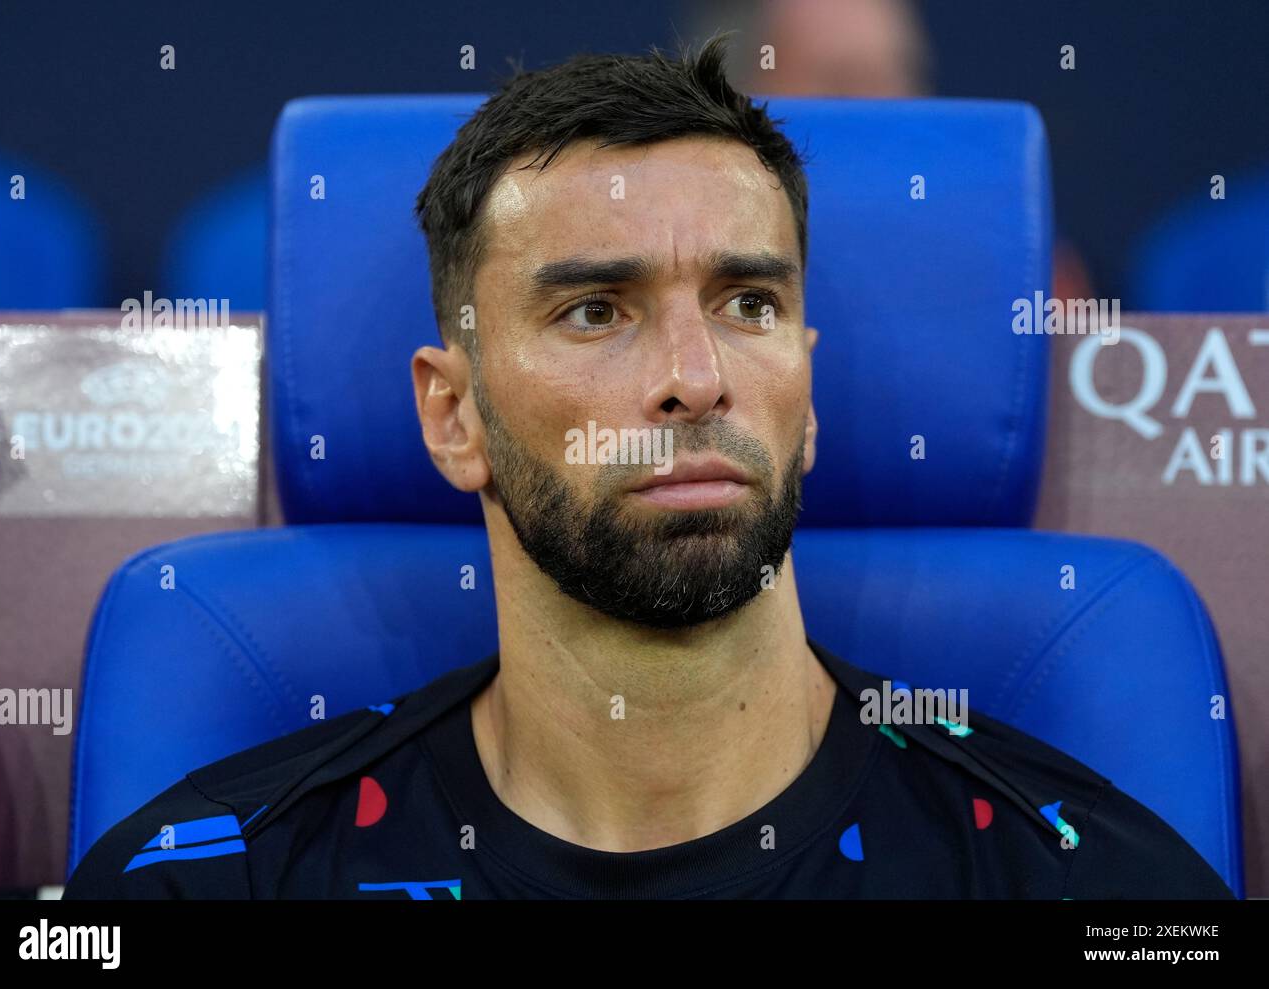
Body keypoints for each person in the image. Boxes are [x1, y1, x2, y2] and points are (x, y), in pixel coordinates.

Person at [64, 33, 1234, 900]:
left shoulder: (1090, 884)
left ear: (807, 390)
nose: (695, 375)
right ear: (452, 413)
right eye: (592, 310)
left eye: (746, 301)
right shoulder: (206, 879)